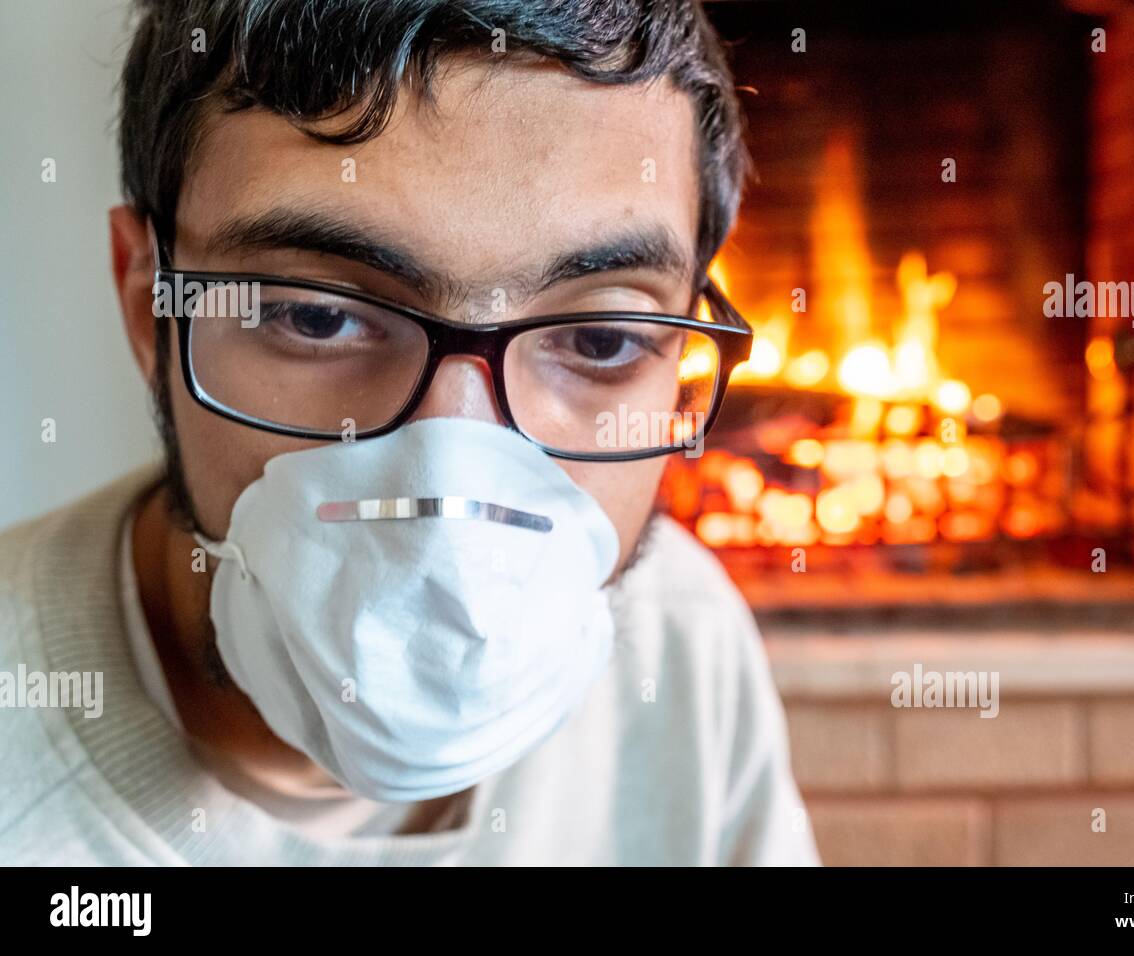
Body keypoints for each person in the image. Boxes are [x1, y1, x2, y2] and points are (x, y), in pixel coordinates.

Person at [0, 0, 820, 866]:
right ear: (148, 312)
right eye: (317, 318)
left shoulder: (680, 644)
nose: (451, 487)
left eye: (600, 339)